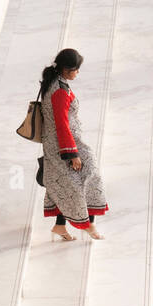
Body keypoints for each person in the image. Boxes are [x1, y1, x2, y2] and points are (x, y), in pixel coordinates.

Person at [39, 48, 108, 242]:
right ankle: (89, 224)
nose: (78, 73)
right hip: (65, 144)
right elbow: (61, 124)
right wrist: (72, 154)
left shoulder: (56, 83)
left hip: (59, 143)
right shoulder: (59, 91)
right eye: (76, 69)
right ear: (66, 69)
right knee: (89, 175)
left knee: (65, 184)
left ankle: (60, 225)